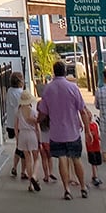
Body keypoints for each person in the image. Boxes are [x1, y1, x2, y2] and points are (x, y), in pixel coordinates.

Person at [37, 59, 91, 200]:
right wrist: (88, 130)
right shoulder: (73, 88)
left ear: (54, 72)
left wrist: (36, 120)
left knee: (62, 159)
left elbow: (43, 112)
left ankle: (67, 189)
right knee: (76, 159)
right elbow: (83, 111)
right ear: (65, 71)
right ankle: (83, 186)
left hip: (56, 133)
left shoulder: (48, 89)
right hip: (73, 131)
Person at [15, 90, 41, 192]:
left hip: (22, 135)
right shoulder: (33, 112)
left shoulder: (18, 111)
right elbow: (37, 127)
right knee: (36, 158)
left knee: (28, 159)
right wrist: (39, 140)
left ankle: (30, 183)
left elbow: (16, 127)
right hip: (31, 134)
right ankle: (34, 176)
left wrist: (17, 140)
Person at [6, 73, 25, 178]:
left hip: (10, 123)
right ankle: (23, 171)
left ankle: (14, 167)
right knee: (23, 148)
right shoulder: (21, 93)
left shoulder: (9, 91)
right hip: (20, 123)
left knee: (19, 146)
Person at [85, 111, 102, 188]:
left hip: (96, 146)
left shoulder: (94, 125)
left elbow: (96, 134)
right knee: (93, 163)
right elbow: (89, 134)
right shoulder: (87, 126)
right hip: (91, 147)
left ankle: (95, 176)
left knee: (97, 162)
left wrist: (99, 138)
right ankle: (95, 176)